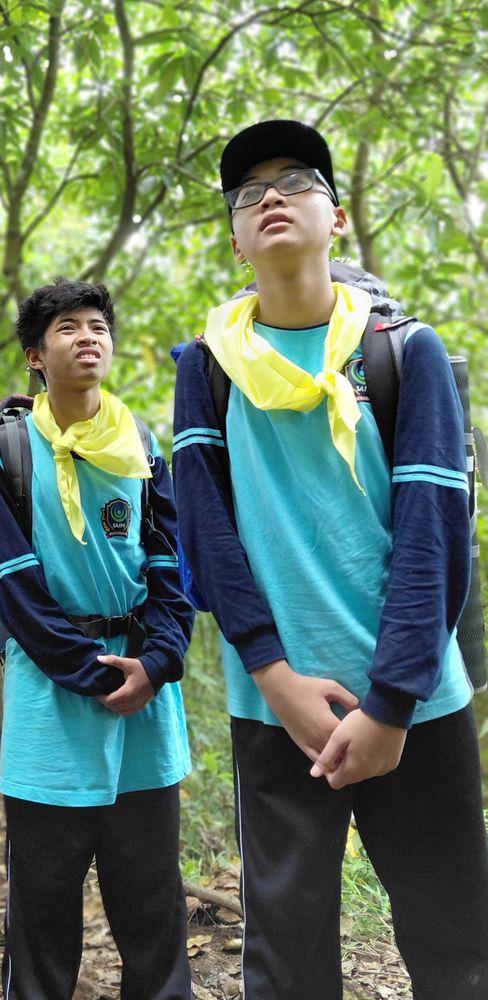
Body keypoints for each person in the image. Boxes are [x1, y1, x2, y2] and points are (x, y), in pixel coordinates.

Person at [172, 119, 488, 999]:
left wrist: (389, 704)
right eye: (247, 193)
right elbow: (208, 533)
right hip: (276, 707)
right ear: (236, 240)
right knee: (287, 960)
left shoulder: (405, 351)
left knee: (455, 943)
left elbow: (434, 532)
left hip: (415, 703)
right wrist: (273, 675)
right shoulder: (209, 367)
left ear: (337, 218)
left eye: (294, 180)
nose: (269, 196)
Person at [0, 279, 194, 1000]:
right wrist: (103, 677)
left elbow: (169, 563)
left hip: (146, 704)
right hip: (52, 704)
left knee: (153, 908)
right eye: (67, 328)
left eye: (97, 325)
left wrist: (157, 663)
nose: (87, 337)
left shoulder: (140, 441)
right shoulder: (8, 449)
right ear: (36, 356)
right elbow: (12, 581)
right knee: (41, 914)